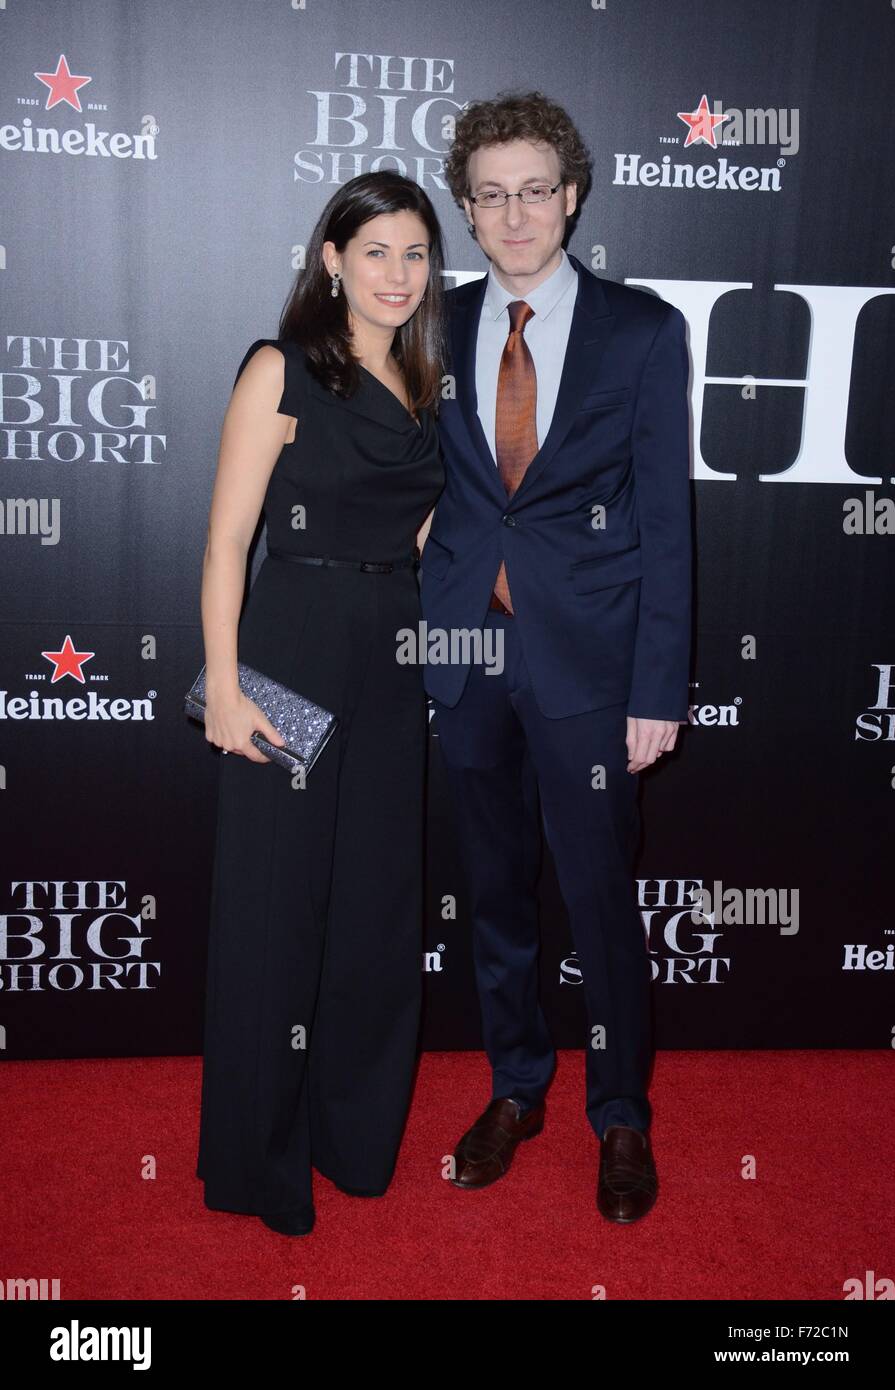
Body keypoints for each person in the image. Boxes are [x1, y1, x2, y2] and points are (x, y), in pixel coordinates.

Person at [418, 91, 692, 1223]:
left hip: (590, 668)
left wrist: (655, 689)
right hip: (462, 656)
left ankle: (618, 1113)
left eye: (536, 189)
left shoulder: (639, 329)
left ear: (571, 196)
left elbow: (668, 521)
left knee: (597, 899)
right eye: (492, 193)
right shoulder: (428, 324)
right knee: (492, 896)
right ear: (469, 212)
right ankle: (515, 1087)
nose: (516, 212)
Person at [195, 171, 446, 1236]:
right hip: (289, 649)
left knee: (377, 916)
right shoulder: (280, 367)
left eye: (416, 254)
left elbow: (426, 539)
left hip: (391, 658)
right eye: (375, 250)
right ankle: (260, 1161)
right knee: (275, 909)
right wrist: (223, 685)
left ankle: (353, 1139)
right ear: (331, 258)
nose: (397, 273)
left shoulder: (430, 388)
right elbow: (225, 541)